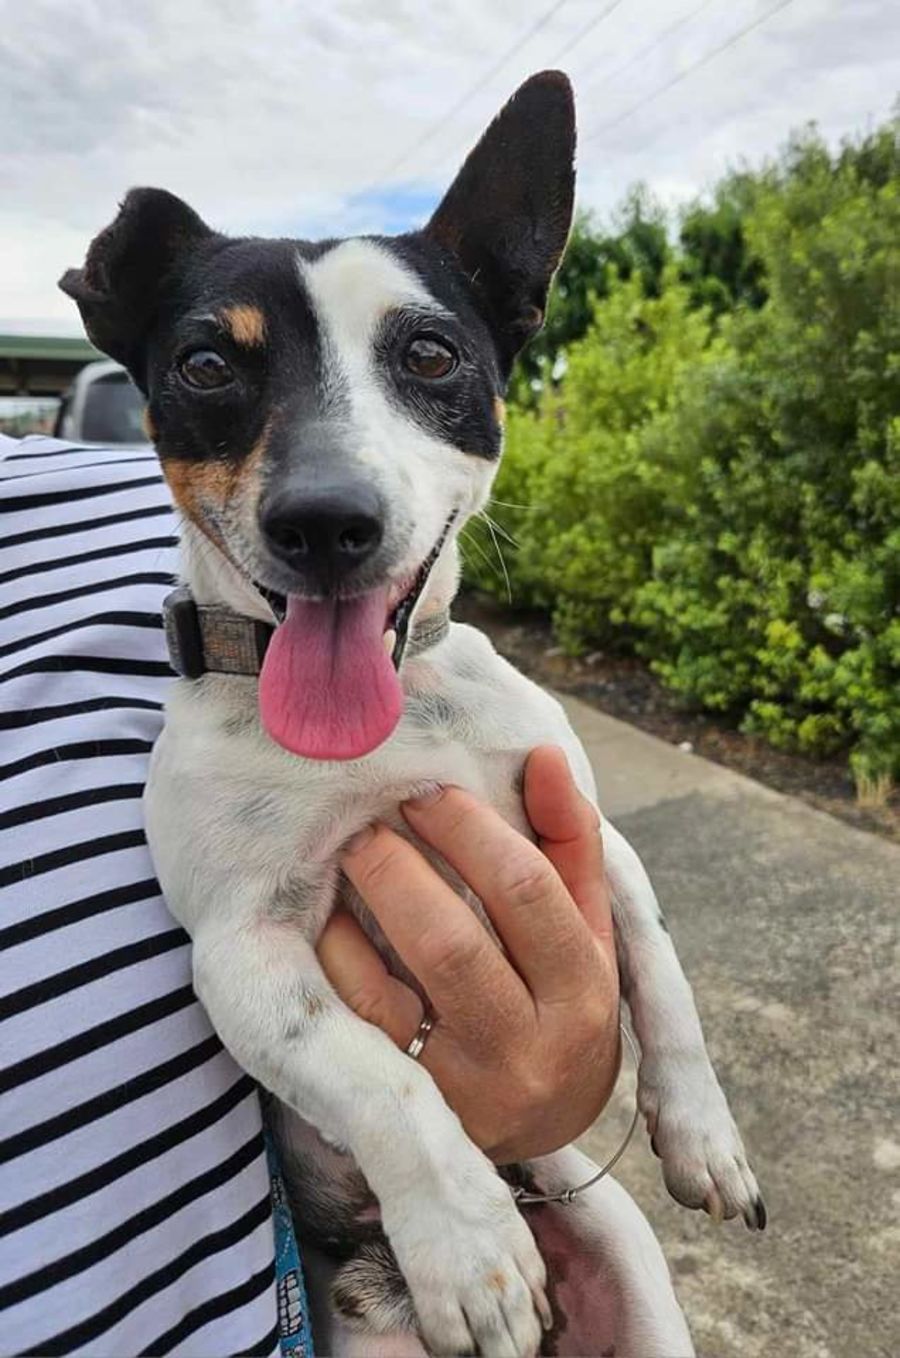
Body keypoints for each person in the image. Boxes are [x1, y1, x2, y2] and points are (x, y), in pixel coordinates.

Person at [1, 432, 625, 1355]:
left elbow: (581, 904)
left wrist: (576, 1075)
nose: (317, 497)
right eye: (212, 368)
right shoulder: (198, 520)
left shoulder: (143, 493)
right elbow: (244, 952)